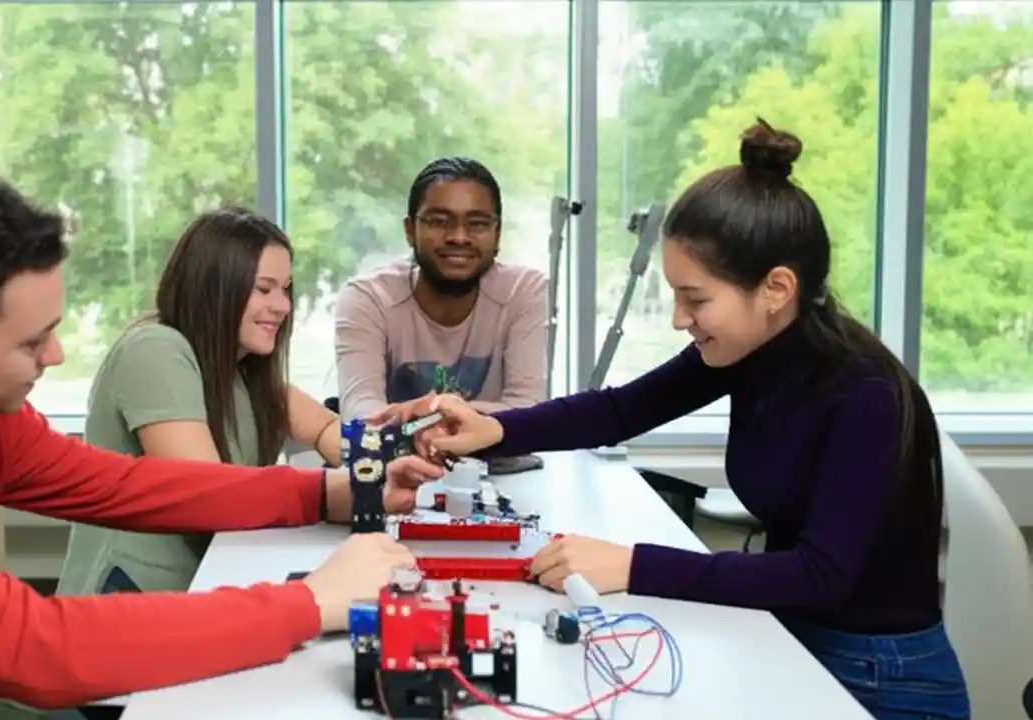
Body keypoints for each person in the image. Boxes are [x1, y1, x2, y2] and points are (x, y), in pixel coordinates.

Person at [0, 167, 441, 720]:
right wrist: (309, 602)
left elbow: (123, 484)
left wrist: (324, 493)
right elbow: (33, 647)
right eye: (31, 340)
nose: (55, 354)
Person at [396, 121, 971, 720]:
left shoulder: (863, 394)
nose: (679, 318)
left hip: (877, 678)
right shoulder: (753, 349)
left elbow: (822, 576)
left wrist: (632, 564)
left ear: (776, 288)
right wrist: (498, 431)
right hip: (794, 640)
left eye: (694, 299)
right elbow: (621, 409)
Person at [57, 207, 345, 599]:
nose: (283, 306)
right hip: (129, 602)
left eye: (286, 288)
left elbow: (327, 428)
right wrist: (335, 494)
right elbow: (208, 496)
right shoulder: (156, 350)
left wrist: (375, 462)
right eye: (264, 289)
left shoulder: (242, 373)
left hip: (196, 592)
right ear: (216, 287)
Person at [333, 156, 548, 421]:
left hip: (495, 460)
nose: (458, 237)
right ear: (410, 230)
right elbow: (361, 411)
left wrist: (427, 416)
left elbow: (530, 410)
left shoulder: (522, 291)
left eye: (478, 224)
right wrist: (461, 419)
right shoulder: (368, 299)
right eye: (439, 221)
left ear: (498, 233)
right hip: (398, 460)